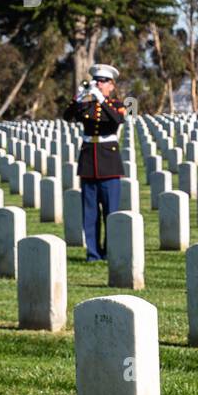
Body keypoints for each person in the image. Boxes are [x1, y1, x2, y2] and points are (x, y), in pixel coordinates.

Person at [62, 63, 128, 261]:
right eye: (98, 81)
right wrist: (80, 95)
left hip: (109, 164)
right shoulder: (87, 105)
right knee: (89, 213)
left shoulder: (117, 105)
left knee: (111, 212)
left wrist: (101, 100)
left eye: (104, 81)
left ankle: (110, 251)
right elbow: (68, 116)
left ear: (112, 85)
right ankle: (93, 253)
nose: (100, 84)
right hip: (89, 163)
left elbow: (117, 120)